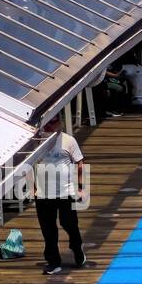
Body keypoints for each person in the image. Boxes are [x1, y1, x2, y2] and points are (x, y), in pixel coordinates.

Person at [35, 117, 87, 275]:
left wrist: (80, 187)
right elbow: (29, 164)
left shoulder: (68, 140)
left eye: (54, 122)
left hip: (65, 192)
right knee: (48, 228)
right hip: (44, 193)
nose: (50, 126)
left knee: (69, 223)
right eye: (47, 123)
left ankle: (77, 248)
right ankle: (53, 261)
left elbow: (79, 163)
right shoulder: (37, 142)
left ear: (60, 123)